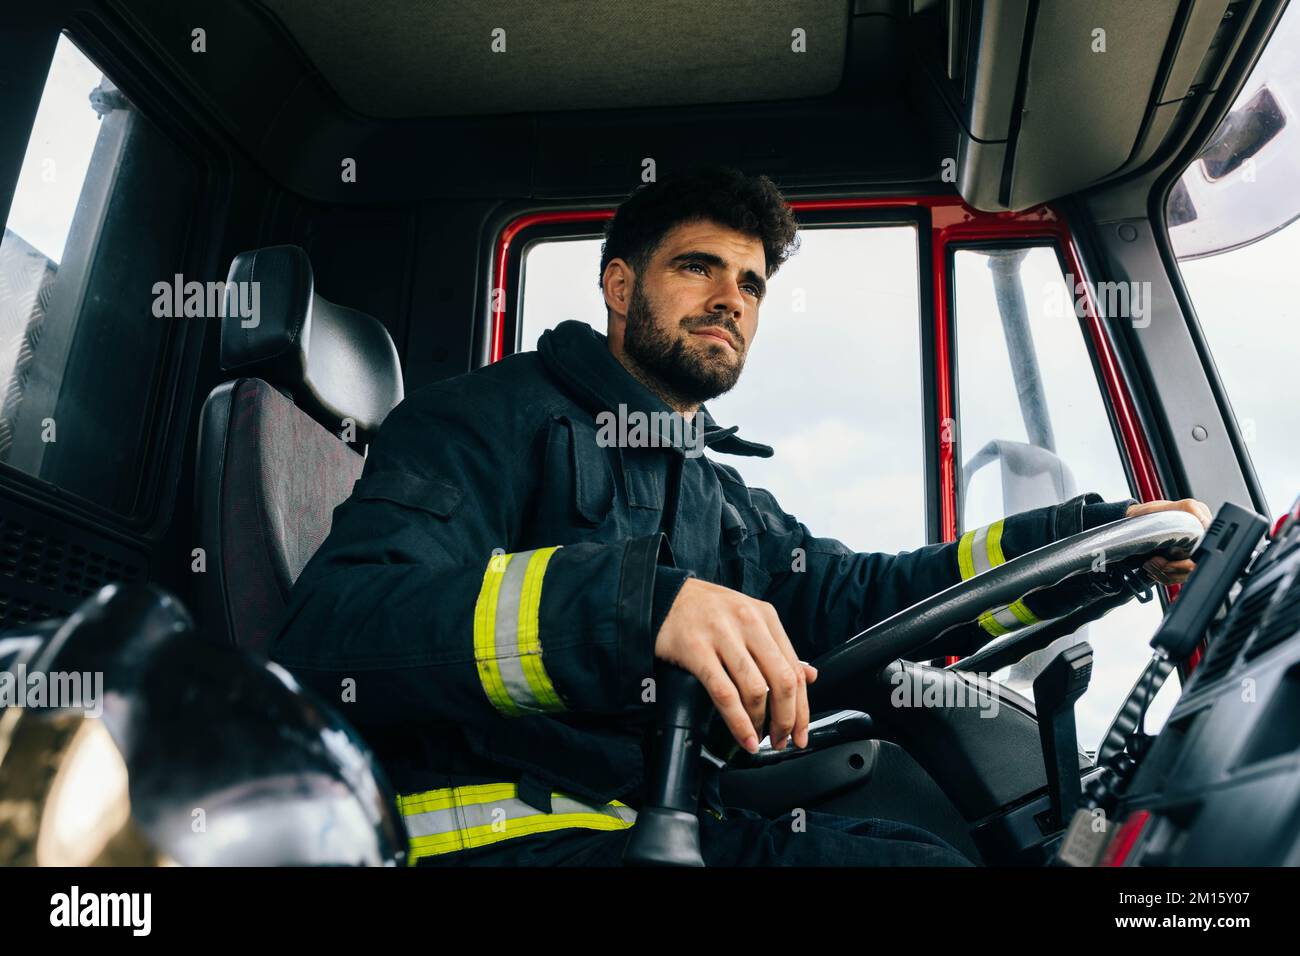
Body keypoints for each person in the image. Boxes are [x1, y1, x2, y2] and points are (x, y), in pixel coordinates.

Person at [271, 165, 1209, 866]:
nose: (731, 300)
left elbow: (875, 596)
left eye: (752, 284)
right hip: (495, 841)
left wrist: (1094, 541)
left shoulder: (716, 499)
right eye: (698, 268)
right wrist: (640, 607)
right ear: (619, 287)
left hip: (665, 819)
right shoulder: (482, 420)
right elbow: (333, 632)